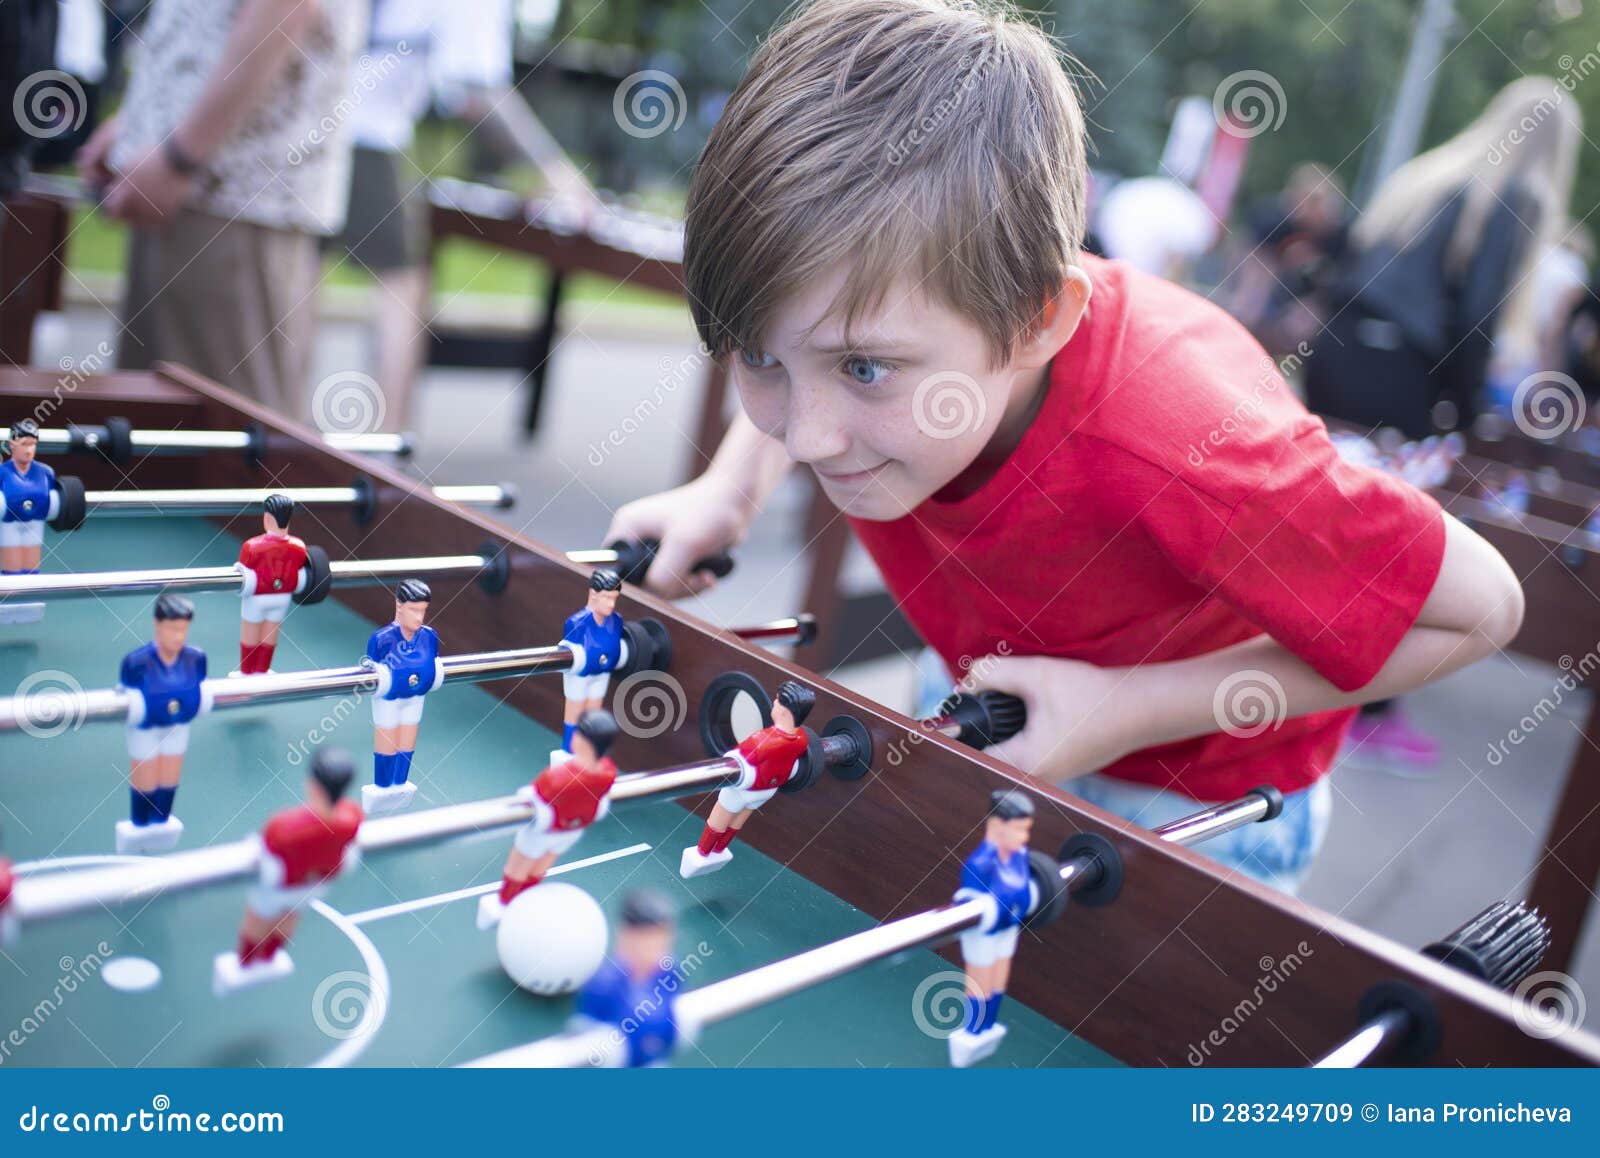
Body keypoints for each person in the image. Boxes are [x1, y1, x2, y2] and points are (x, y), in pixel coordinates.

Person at [606, 0, 1526, 895]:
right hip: (989, 686)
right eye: (759, 358)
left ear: (1037, 321)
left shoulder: (1191, 448)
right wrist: (731, 488)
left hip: (1197, 800)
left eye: (866, 368)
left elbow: (1480, 609)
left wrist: (1125, 709)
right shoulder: (882, 339)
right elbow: (808, 340)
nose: (807, 436)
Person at [76, 0, 367, 411]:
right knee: (162, 426)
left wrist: (180, 156)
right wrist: (138, 123)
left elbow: (282, 9)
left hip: (234, 195)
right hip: (207, 190)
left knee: (224, 430)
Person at [324, 0, 601, 431]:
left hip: (323, 116)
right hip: (366, 127)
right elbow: (477, 92)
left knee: (297, 268)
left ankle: (285, 428)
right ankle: (383, 444)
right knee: (402, 285)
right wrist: (555, 170)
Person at [1306, 77, 1581, 439]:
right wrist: (1468, 411)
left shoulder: (1429, 176)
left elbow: (1353, 258)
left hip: (1334, 349)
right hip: (1397, 372)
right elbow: (1477, 315)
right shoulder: (1518, 196)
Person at [215, 747, 362, 994]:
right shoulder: (352, 817)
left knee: (257, 919)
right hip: (314, 885)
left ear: (314, 786)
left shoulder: (283, 826)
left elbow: (265, 852)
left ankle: (247, 962)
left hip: (280, 886)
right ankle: (270, 956)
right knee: (291, 916)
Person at [478, 709, 620, 929]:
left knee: (519, 864)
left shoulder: (557, 778)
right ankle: (525, 899)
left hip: (545, 830)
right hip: (572, 830)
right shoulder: (608, 771)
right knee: (542, 863)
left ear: (586, 741)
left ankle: (506, 902)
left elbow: (531, 796)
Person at [680, 680, 813, 878]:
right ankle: (719, 850)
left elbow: (741, 756)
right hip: (768, 789)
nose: (774, 704)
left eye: (777, 701)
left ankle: (703, 852)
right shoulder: (802, 738)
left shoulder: (764, 738)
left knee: (719, 817)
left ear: (785, 711)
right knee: (739, 819)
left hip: (746, 786)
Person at [950, 788, 1037, 1068]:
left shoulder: (1019, 855)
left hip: (1009, 927)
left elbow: (1023, 888)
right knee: (981, 981)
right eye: (1019, 830)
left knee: (999, 977)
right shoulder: (979, 864)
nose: (1024, 837)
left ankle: (988, 1027)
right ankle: (973, 1031)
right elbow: (969, 898)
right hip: (984, 932)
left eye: (1026, 830)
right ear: (998, 826)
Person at [116, 593, 210, 853]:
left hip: (178, 727)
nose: (178, 636)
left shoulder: (196, 659)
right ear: (157, 625)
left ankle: (161, 823)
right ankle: (140, 825)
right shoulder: (136, 663)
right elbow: (125, 695)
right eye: (172, 629)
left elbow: (202, 689)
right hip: (145, 729)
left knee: (169, 777)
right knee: (145, 779)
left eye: (183, 629)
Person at [362, 578, 442, 813]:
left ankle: (399, 783)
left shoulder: (429, 637)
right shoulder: (381, 639)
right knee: (388, 735)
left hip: (416, 697)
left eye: (423, 610)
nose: (419, 617)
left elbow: (434, 662)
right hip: (389, 698)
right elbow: (370, 670)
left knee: (408, 736)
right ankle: (383, 785)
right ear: (399, 606)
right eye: (414, 610)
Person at [234, 493, 308, 676]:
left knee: (251, 631)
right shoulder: (299, 547)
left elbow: (242, 570)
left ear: (267, 518)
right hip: (282, 598)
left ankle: (246, 672)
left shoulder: (252, 546)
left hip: (257, 597)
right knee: (270, 632)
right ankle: (262, 670)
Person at [558, 570, 624, 755]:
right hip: (580, 675)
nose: (611, 604)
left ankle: (589, 754)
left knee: (593, 714)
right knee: (575, 712)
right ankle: (569, 752)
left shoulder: (616, 621)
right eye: (606, 598)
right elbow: (569, 651)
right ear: (593, 594)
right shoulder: (576, 623)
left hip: (602, 674)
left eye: (614, 598)